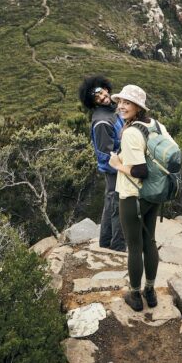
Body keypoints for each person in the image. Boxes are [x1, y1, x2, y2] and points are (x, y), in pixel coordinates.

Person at [108, 84, 177, 312]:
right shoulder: (156, 125)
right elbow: (173, 152)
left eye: (127, 103)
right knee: (150, 241)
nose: (121, 107)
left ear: (138, 107)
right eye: (120, 102)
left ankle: (136, 295)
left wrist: (118, 165)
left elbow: (140, 170)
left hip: (133, 195)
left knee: (135, 246)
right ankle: (151, 291)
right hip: (154, 193)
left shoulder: (130, 133)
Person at [77, 75, 125, 252]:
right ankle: (118, 246)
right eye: (98, 98)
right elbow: (107, 153)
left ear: (106, 89)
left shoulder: (113, 110)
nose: (103, 98)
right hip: (115, 168)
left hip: (118, 166)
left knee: (111, 201)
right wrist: (124, 162)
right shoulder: (102, 121)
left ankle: (105, 242)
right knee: (118, 204)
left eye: (103, 94)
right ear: (94, 102)